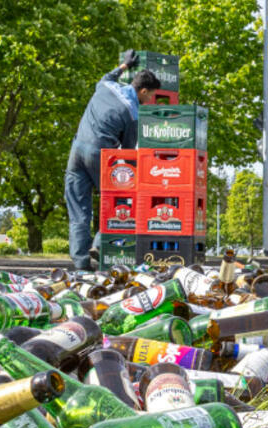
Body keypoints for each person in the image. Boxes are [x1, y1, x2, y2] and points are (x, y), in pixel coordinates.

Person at [66, 51, 160, 271]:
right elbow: (127, 153)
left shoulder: (106, 86)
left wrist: (125, 65)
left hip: (76, 151)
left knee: (79, 209)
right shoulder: (132, 113)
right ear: (143, 91)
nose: (150, 101)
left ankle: (80, 264)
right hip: (100, 155)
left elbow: (108, 76)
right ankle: (100, 244)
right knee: (117, 198)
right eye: (151, 96)